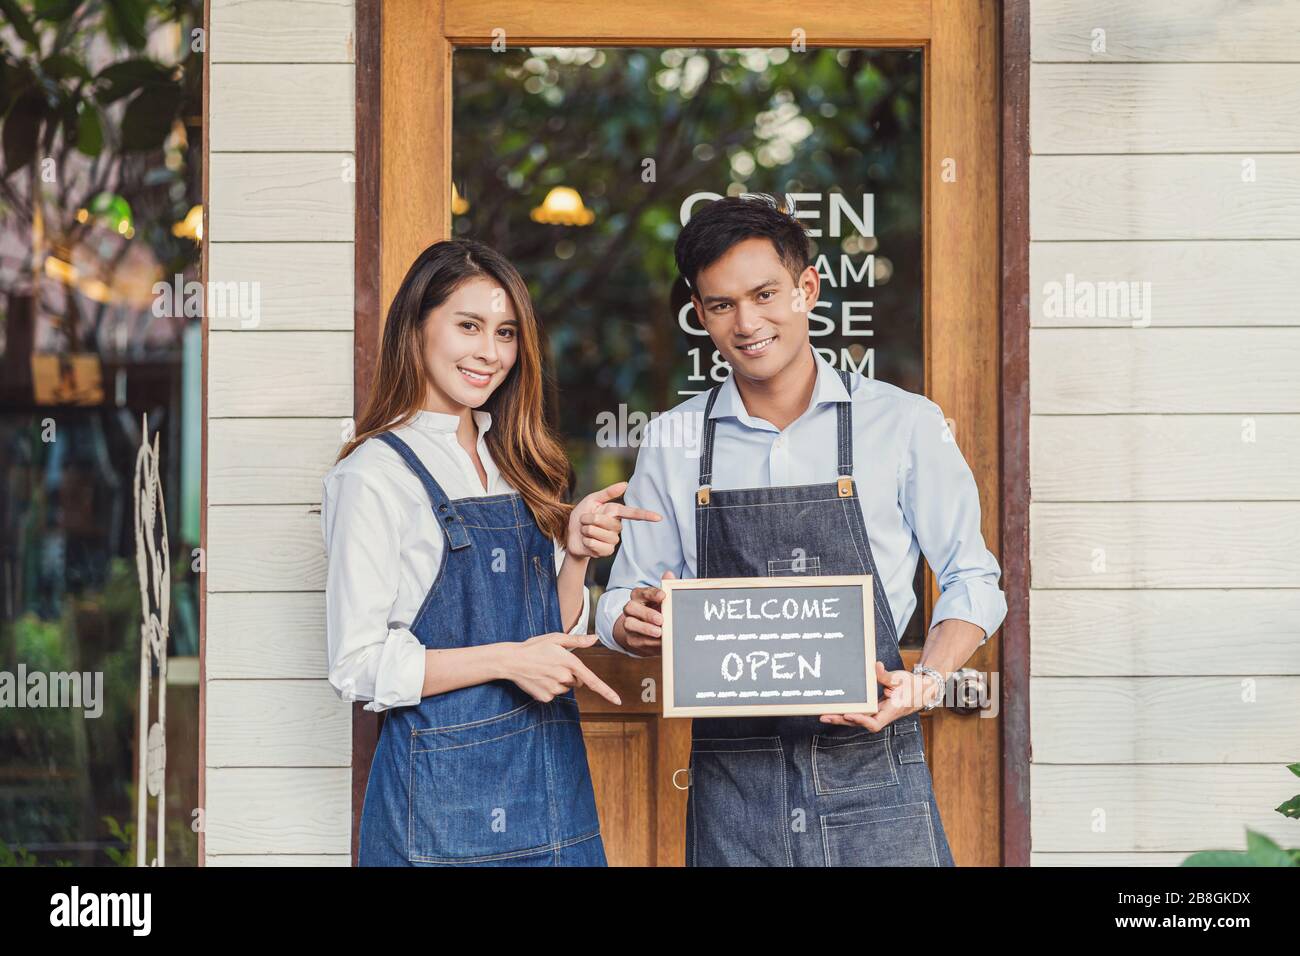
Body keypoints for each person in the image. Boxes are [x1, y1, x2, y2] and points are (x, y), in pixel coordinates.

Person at [595, 194, 1007, 866]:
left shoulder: (903, 423)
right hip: (733, 785)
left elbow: (972, 578)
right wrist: (628, 622)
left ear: (806, 289)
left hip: (874, 768)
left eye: (764, 294)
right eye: (721, 304)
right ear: (699, 314)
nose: (747, 322)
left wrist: (926, 680)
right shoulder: (673, 441)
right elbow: (622, 598)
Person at [322, 238, 659, 866]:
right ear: (416, 327)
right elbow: (357, 663)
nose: (490, 352)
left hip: (550, 780)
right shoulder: (373, 475)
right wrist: (509, 661)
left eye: (506, 333)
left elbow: (552, 635)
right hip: (440, 799)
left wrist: (579, 553)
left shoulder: (517, 463)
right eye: (468, 326)